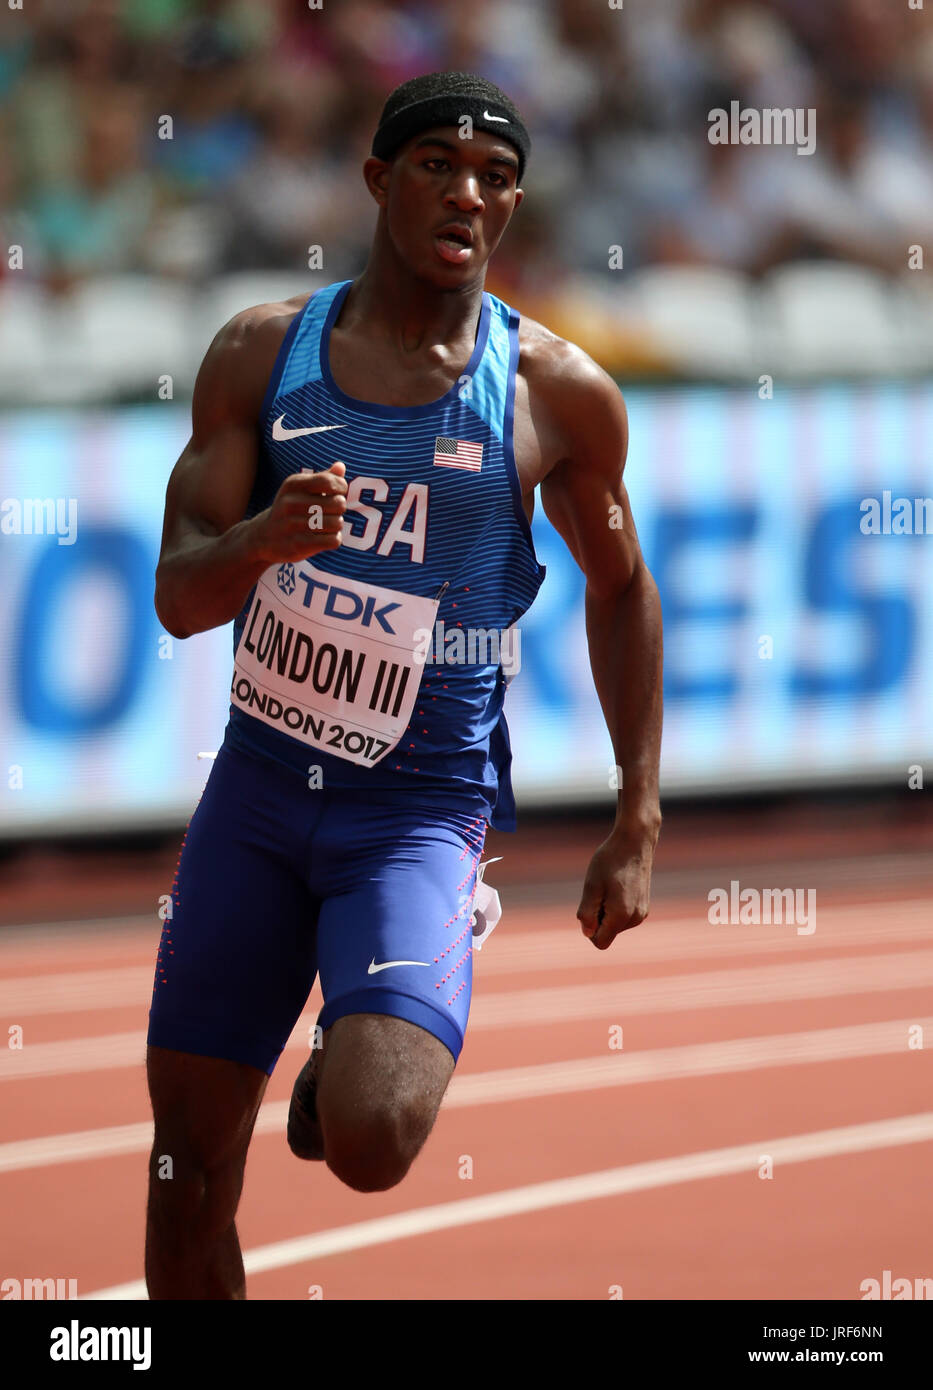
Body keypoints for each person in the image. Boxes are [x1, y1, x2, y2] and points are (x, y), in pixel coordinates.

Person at [146, 70, 663, 1300]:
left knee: (372, 1141)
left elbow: (622, 586)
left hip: (419, 809)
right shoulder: (263, 355)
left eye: (494, 178)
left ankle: (357, 1038)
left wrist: (635, 811)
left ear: (515, 208)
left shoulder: (556, 394)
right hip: (260, 791)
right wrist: (262, 543)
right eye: (436, 163)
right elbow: (178, 595)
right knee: (188, 1162)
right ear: (380, 182)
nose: (466, 194)